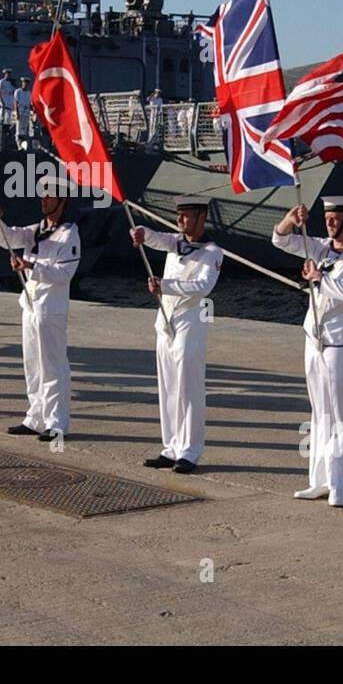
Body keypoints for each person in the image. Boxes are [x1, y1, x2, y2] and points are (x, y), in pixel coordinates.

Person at [273, 196, 343, 507]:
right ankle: (319, 480)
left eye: (336, 217)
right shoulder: (320, 247)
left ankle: (341, 483)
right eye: (328, 217)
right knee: (319, 412)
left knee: (341, 412)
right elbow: (280, 240)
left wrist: (320, 278)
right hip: (314, 337)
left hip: (341, 341)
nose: (329, 222)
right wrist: (289, 220)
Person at [0, 177, 81, 441]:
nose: (44, 199)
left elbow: (64, 273)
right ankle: (35, 417)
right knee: (32, 364)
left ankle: (57, 421)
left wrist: (30, 267)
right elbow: (10, 237)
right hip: (31, 305)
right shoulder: (36, 230)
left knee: (53, 365)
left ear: (62, 201)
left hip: (51, 309)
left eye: (50, 196)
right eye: (43, 195)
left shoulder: (69, 234)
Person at [131, 196, 223, 475]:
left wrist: (165, 285)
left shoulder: (212, 251)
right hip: (166, 321)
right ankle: (171, 446)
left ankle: (190, 450)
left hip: (190, 323)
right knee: (169, 386)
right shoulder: (177, 242)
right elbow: (157, 238)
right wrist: (141, 233)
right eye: (178, 215)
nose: (180, 221)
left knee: (189, 387)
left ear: (201, 216)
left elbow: (203, 285)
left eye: (185, 216)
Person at [13, 77, 33, 146]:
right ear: (22, 83)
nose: (26, 84)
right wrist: (17, 114)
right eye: (25, 83)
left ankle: (23, 145)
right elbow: (16, 103)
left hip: (26, 113)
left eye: (27, 83)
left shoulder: (29, 93)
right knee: (18, 129)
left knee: (24, 130)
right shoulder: (18, 91)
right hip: (20, 111)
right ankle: (18, 145)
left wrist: (32, 112)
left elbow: (30, 104)